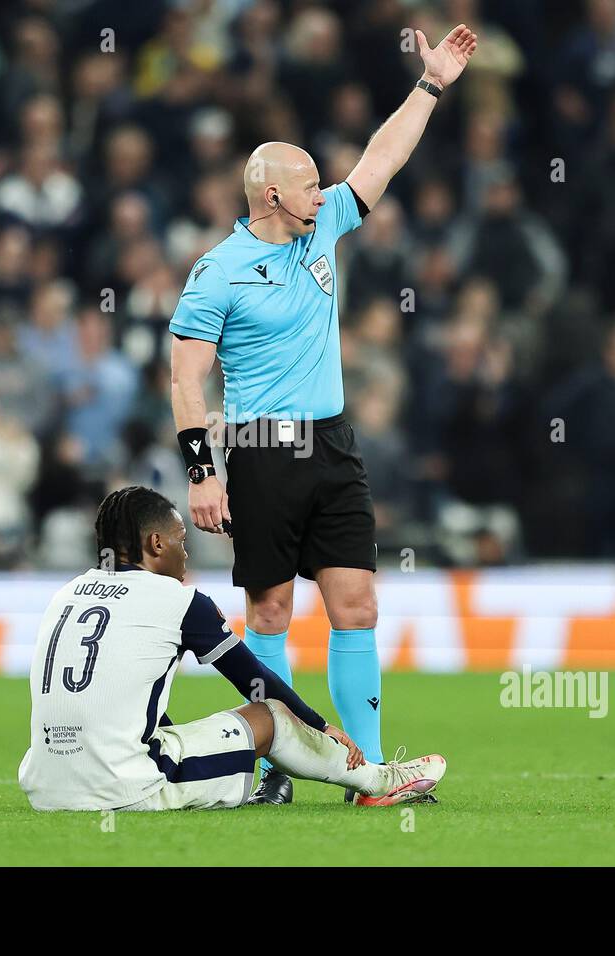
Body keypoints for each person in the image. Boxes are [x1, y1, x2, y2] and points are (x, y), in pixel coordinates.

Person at [168, 23, 477, 805]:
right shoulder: (218, 272)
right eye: (310, 186)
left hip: (334, 446)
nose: (325, 193)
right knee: (269, 611)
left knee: (357, 604)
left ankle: (366, 774)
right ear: (273, 194)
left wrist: (431, 84)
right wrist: (203, 476)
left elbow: (384, 158)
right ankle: (278, 768)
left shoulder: (326, 227)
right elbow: (184, 380)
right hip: (261, 452)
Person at [17, 486, 446, 812]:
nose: (186, 553)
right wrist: (320, 725)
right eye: (180, 539)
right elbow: (254, 681)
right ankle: (379, 780)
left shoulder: (66, 594)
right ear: (156, 545)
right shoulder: (179, 601)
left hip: (44, 786)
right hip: (122, 787)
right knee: (271, 716)